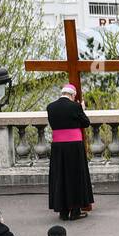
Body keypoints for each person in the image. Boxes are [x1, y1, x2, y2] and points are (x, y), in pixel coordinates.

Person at [46, 83, 94, 221]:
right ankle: (75, 211)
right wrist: (82, 109)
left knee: (60, 176)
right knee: (75, 176)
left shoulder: (50, 107)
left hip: (58, 147)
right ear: (73, 95)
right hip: (74, 146)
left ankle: (62, 211)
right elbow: (86, 123)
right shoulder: (75, 106)